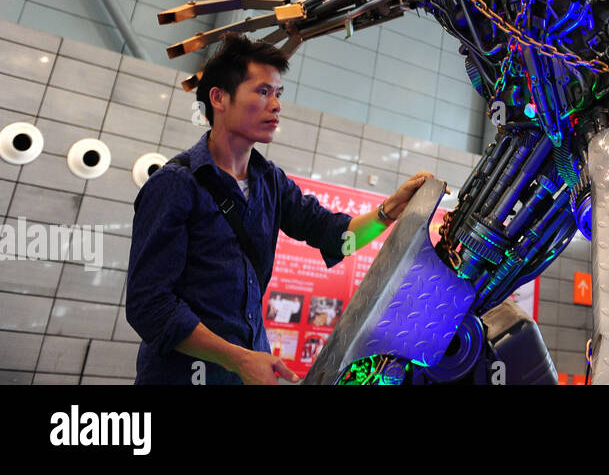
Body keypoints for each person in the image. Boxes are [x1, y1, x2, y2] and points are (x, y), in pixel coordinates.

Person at [126, 33, 432, 385]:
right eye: (262, 92)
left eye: (278, 94)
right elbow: (149, 306)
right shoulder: (176, 184)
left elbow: (337, 237)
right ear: (219, 98)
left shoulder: (270, 182)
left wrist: (391, 208)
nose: (276, 105)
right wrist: (239, 359)